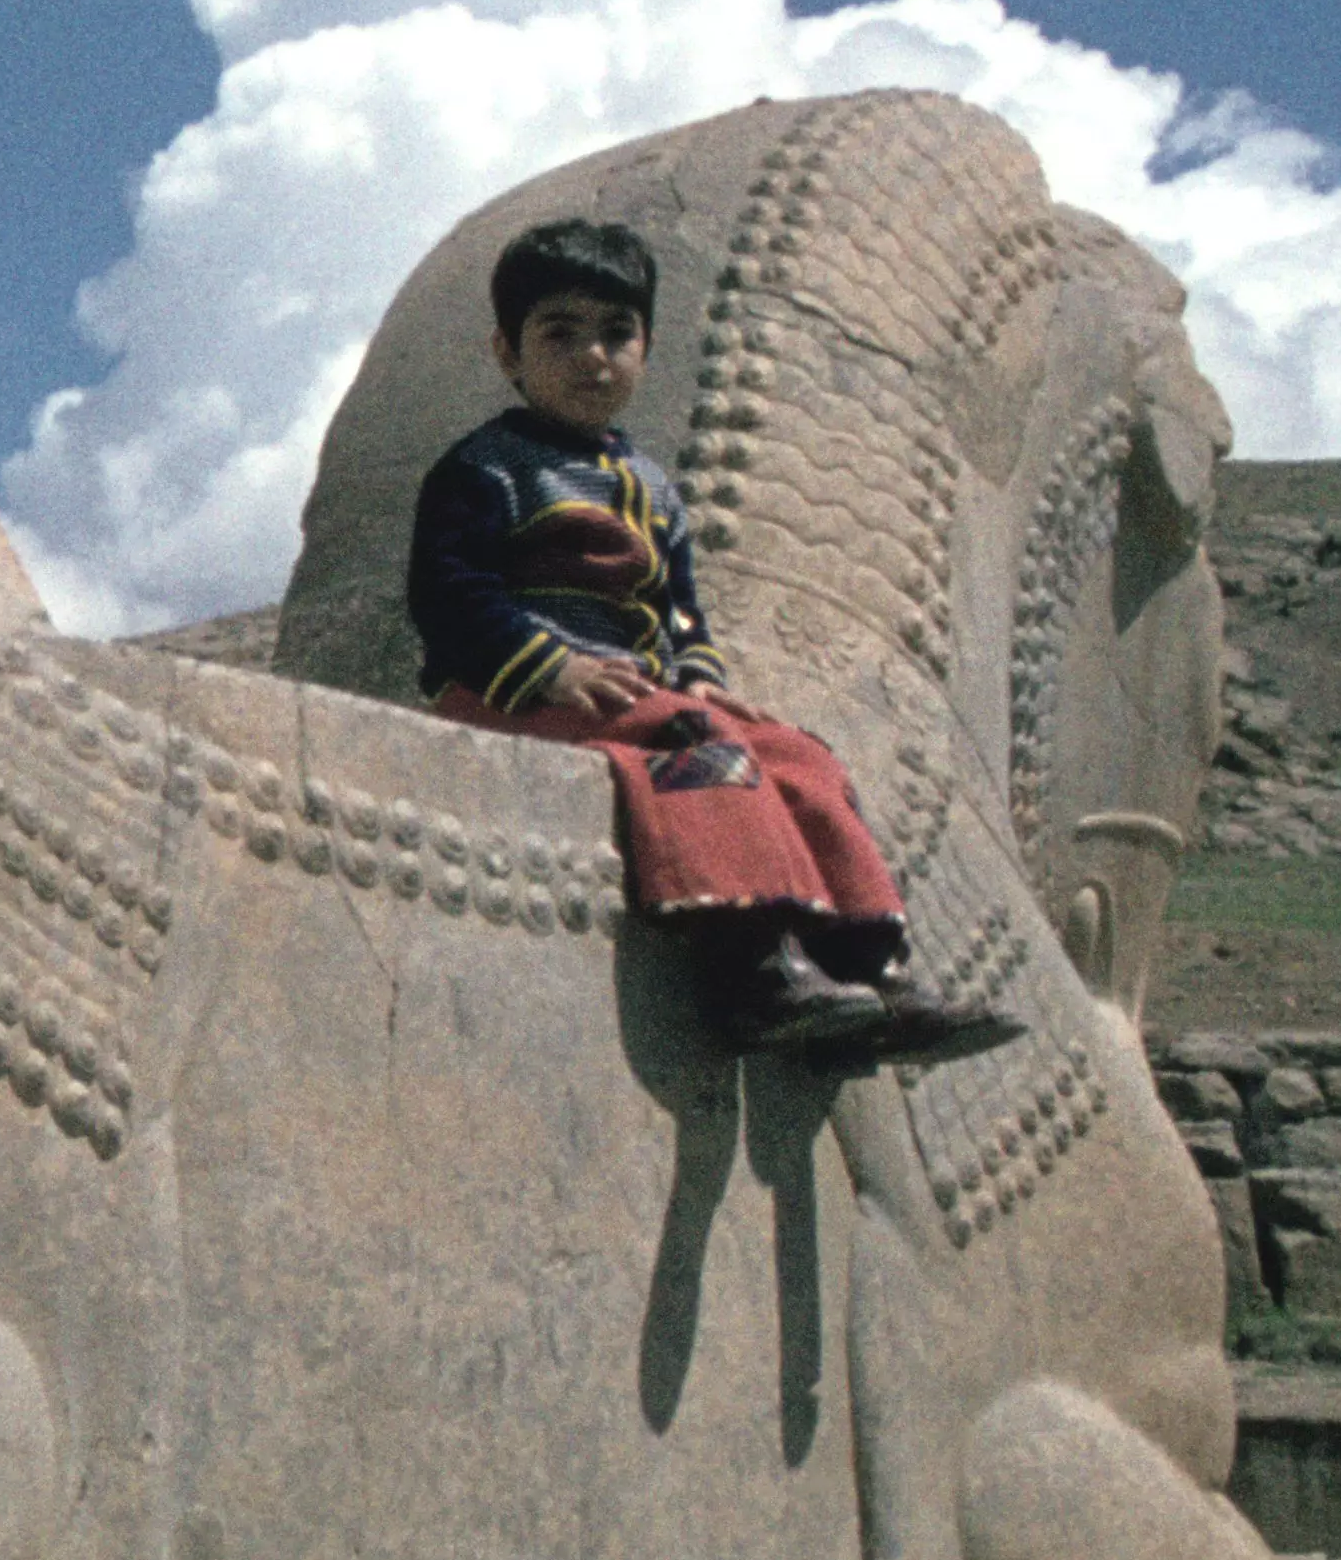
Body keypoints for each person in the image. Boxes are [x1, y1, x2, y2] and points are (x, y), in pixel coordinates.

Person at [409, 215, 1016, 1062]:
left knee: (799, 753)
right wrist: (552, 666)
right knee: (696, 743)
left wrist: (698, 672)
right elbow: (448, 593)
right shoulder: (487, 470)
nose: (594, 356)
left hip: (636, 695)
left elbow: (679, 607)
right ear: (508, 352)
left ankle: (867, 969)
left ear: (647, 347)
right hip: (512, 694)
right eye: (561, 333)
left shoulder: (653, 485)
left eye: (618, 333)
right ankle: (753, 968)